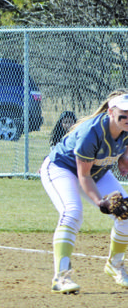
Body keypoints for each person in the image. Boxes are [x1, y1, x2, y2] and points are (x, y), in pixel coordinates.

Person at [40, 91, 128, 294]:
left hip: (96, 172)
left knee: (125, 213)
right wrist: (100, 202)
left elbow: (124, 147)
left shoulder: (125, 128)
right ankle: (61, 277)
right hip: (62, 169)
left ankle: (115, 265)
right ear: (110, 113)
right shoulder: (92, 132)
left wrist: (124, 158)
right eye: (124, 113)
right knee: (72, 212)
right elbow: (84, 176)